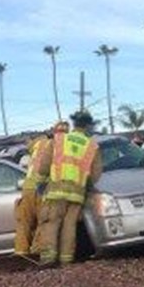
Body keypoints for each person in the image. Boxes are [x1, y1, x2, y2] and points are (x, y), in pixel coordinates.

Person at [36, 111, 103, 265]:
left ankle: (48, 258)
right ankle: (66, 260)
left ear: (74, 125)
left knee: (51, 223)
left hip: (56, 191)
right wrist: (86, 187)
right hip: (77, 195)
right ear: (87, 126)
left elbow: (44, 165)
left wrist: (40, 183)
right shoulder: (92, 146)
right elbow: (96, 174)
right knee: (69, 227)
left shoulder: (59, 140)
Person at [14, 126, 56, 257]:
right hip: (41, 189)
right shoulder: (55, 146)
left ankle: (20, 254)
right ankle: (36, 255)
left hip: (27, 189)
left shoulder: (37, 146)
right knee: (43, 224)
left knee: (24, 224)